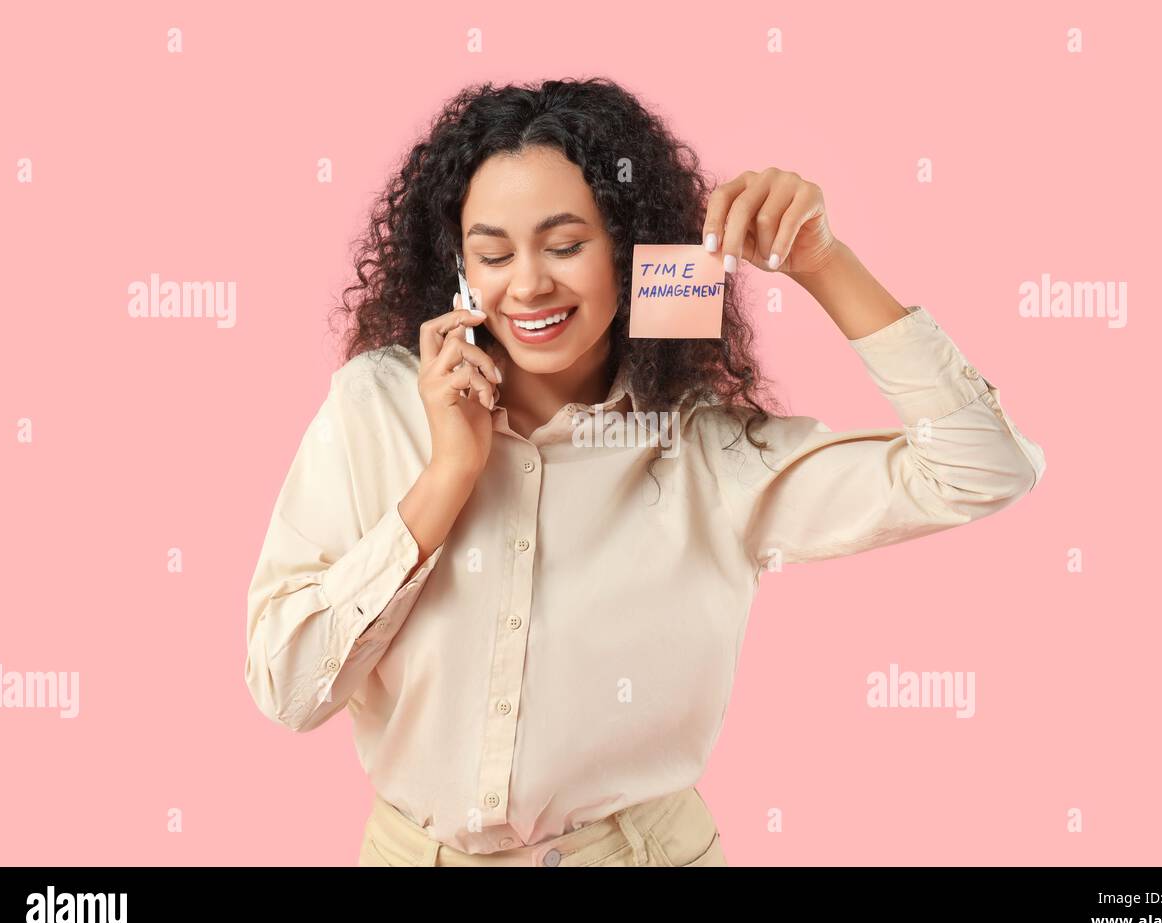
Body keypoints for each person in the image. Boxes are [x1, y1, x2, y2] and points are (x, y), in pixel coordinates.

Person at [244, 77, 1045, 867]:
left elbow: (981, 468)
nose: (527, 284)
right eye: (493, 253)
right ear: (460, 266)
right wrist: (447, 477)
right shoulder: (373, 407)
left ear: (629, 252)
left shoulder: (707, 450)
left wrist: (823, 263)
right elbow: (287, 691)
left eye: (565, 246)